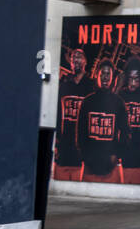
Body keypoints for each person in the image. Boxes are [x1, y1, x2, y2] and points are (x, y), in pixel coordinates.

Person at [76, 58, 128, 182]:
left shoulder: (118, 102)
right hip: (90, 167)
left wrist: (117, 156)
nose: (105, 77)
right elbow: (80, 133)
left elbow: (126, 132)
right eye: (102, 73)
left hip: (111, 168)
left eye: (108, 74)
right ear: (97, 75)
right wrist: (85, 156)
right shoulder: (87, 101)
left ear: (112, 78)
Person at [54, 47, 90, 181]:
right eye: (74, 57)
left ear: (86, 61)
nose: (76, 59)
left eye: (80, 56)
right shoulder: (63, 85)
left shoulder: (90, 86)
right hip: (63, 149)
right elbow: (57, 114)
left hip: (82, 152)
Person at [118, 58, 140, 184]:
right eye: (130, 79)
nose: (132, 83)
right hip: (124, 156)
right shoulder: (121, 95)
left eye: (136, 79)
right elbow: (109, 108)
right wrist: (118, 84)